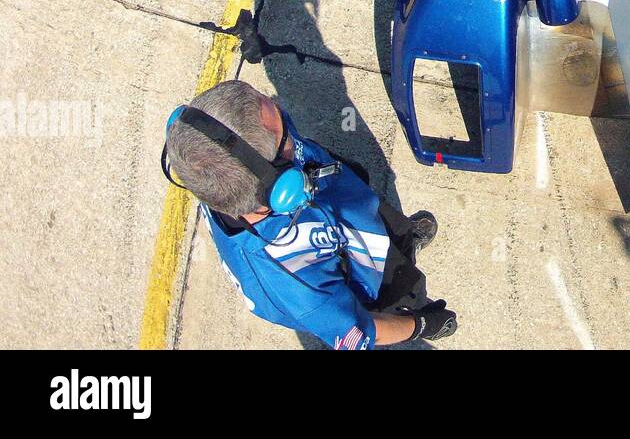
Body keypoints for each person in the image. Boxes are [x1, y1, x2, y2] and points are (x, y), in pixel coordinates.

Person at [162, 79, 456, 349]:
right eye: (284, 133)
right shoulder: (293, 277)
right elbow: (359, 332)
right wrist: (420, 325)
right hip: (368, 275)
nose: (281, 109)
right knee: (403, 284)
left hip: (344, 205)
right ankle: (412, 297)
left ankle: (400, 237)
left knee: (391, 226)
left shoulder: (220, 181)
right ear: (281, 188)